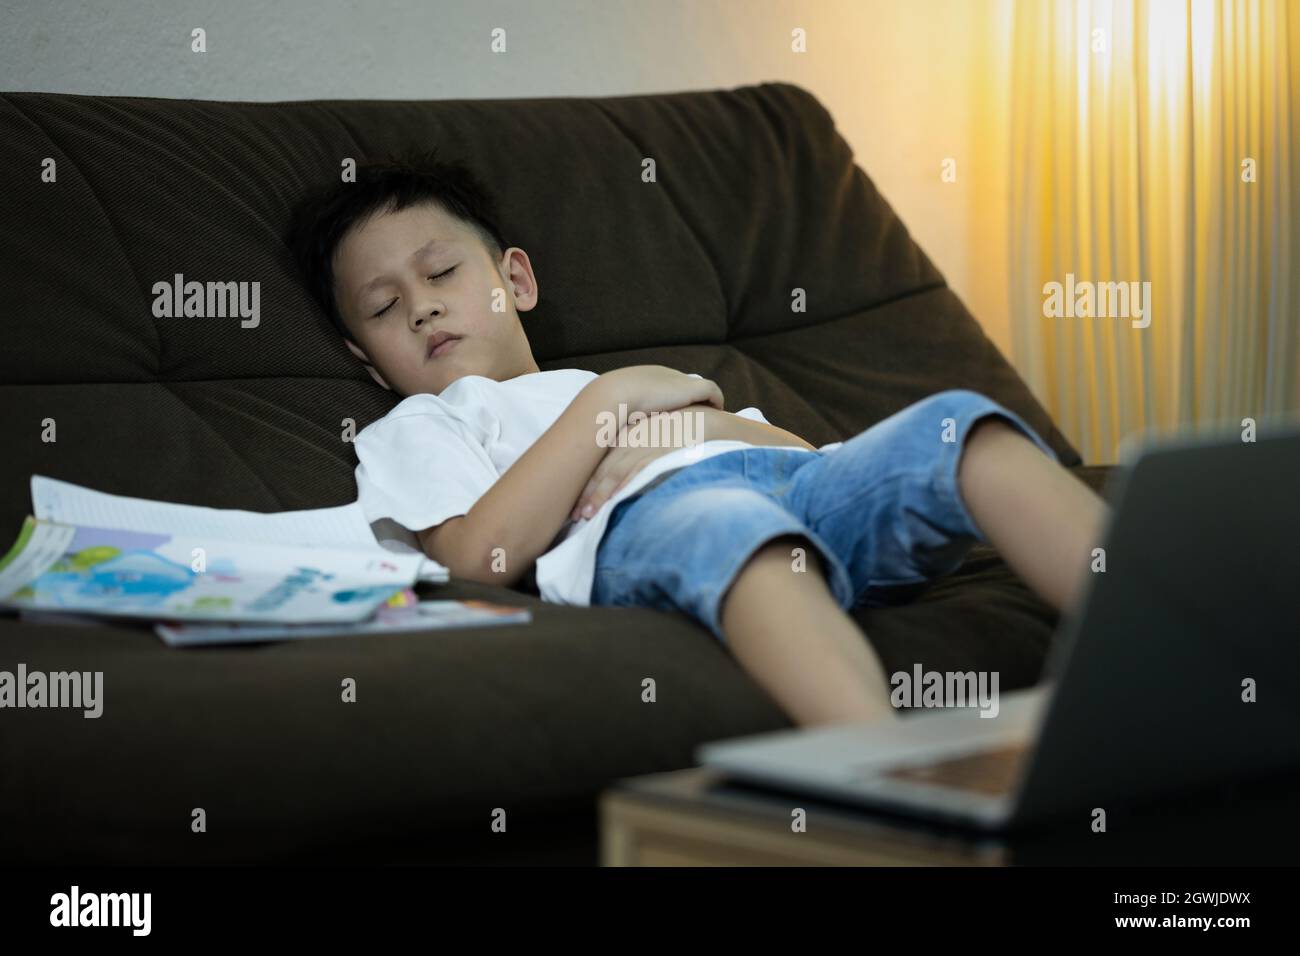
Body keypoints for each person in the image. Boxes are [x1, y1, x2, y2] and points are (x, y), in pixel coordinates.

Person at [288, 151, 1109, 727]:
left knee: (959, 425)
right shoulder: (426, 422)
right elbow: (477, 559)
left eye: (440, 274)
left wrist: (688, 423)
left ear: (516, 280)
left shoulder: (612, 388)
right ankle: (895, 795)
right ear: (369, 360)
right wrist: (612, 405)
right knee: (730, 526)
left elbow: (797, 454)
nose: (423, 307)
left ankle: (1169, 649)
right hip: (654, 527)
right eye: (385, 307)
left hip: (784, 479)